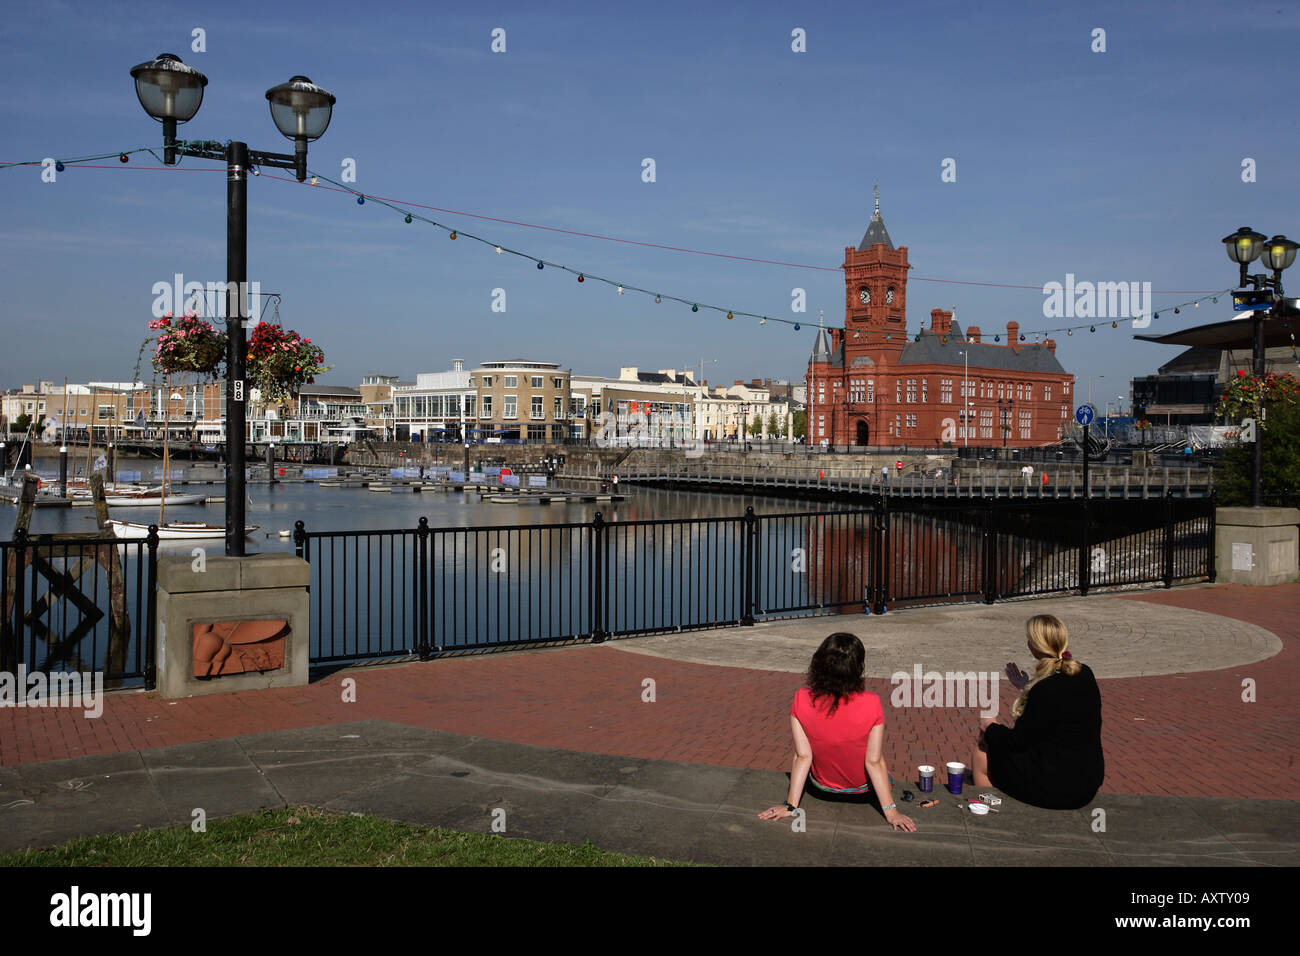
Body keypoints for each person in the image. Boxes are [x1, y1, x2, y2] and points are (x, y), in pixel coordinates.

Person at [759, 632, 916, 831]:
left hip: (821, 790)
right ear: (857, 668)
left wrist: (790, 805)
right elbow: (873, 762)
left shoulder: (801, 697)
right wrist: (892, 812)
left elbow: (802, 756)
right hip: (863, 793)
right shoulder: (872, 702)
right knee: (881, 762)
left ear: (819, 663)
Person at [973, 614, 1104, 809]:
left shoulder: (1044, 690)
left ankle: (988, 809)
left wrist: (990, 726)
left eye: (1030, 640)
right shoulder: (1085, 673)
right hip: (1087, 784)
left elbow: (1017, 741)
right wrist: (1027, 687)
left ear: (1036, 646)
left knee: (983, 751)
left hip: (1054, 789)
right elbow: (1059, 705)